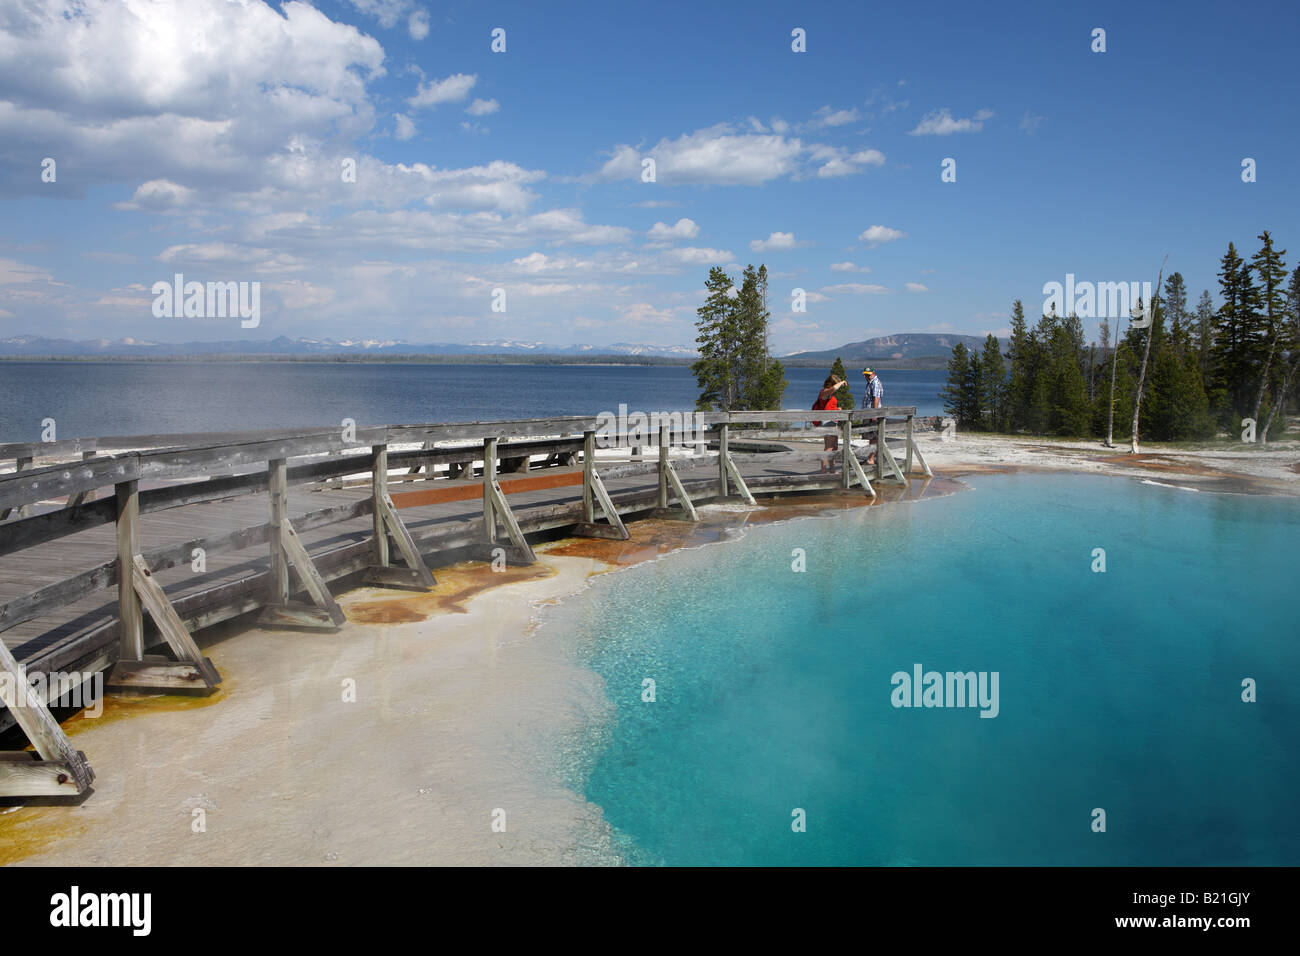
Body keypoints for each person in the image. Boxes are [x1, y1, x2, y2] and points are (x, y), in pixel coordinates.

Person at [812, 374, 848, 473]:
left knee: (834, 447)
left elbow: (829, 407)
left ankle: (832, 469)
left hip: (833, 422)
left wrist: (837, 409)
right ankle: (823, 471)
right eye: (835, 384)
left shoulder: (830, 395)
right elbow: (834, 388)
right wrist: (841, 382)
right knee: (828, 448)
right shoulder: (824, 393)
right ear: (831, 384)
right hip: (826, 423)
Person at [862, 367, 884, 465]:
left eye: (869, 374)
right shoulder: (870, 382)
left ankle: (871, 458)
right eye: (866, 374)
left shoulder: (875, 383)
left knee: (874, 437)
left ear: (873, 373)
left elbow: (876, 398)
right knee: (871, 437)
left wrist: (874, 413)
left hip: (872, 413)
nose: (867, 376)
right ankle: (872, 457)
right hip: (868, 412)